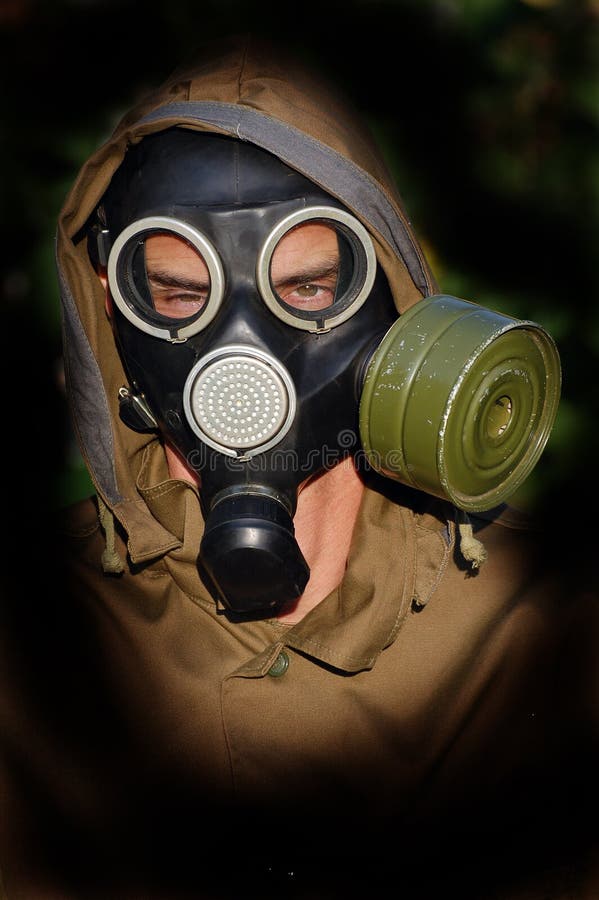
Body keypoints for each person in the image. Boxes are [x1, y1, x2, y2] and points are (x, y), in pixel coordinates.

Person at [1, 33, 597, 900]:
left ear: (391, 289)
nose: (244, 353)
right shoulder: (31, 653)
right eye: (178, 293)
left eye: (309, 289)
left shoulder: (550, 637)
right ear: (107, 310)